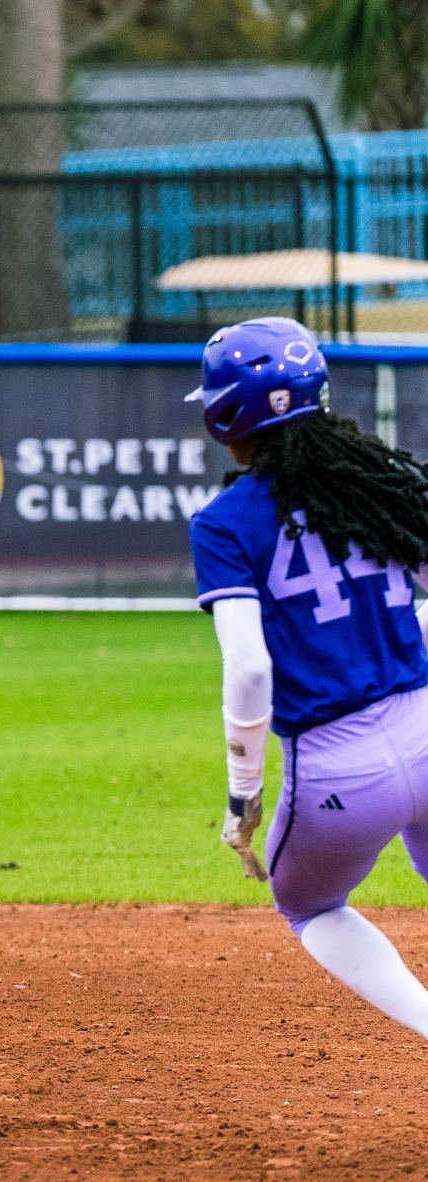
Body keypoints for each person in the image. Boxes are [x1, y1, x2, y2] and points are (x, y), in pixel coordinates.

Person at [189, 315, 428, 1042]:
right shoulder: (378, 485)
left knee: (311, 906)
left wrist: (244, 793)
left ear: (226, 418)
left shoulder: (224, 521)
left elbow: (252, 665)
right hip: (425, 723)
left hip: (337, 768)